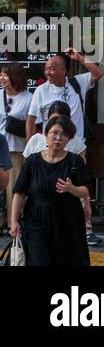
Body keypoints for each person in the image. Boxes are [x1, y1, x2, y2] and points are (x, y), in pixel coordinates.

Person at [24, 49, 103, 245]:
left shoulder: (77, 83)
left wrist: (80, 58)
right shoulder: (41, 91)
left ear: (64, 70)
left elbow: (98, 74)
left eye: (53, 68)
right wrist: (31, 143)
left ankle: (86, 227)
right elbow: (31, 119)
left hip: (75, 145)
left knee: (79, 184)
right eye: (46, 68)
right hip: (50, 145)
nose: (48, 72)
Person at [9, 116, 90, 266]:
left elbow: (85, 190)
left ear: (69, 139)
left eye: (64, 135)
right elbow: (19, 192)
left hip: (67, 221)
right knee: (39, 261)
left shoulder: (75, 161)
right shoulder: (33, 161)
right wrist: (13, 221)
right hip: (35, 220)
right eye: (55, 133)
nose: (58, 138)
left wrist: (71, 189)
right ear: (46, 134)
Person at [1, 63, 31, 227]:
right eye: (1, 74)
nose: (2, 78)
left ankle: (14, 222)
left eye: (6, 74)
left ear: (16, 77)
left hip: (16, 151)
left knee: (13, 189)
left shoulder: (29, 98)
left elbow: (32, 127)